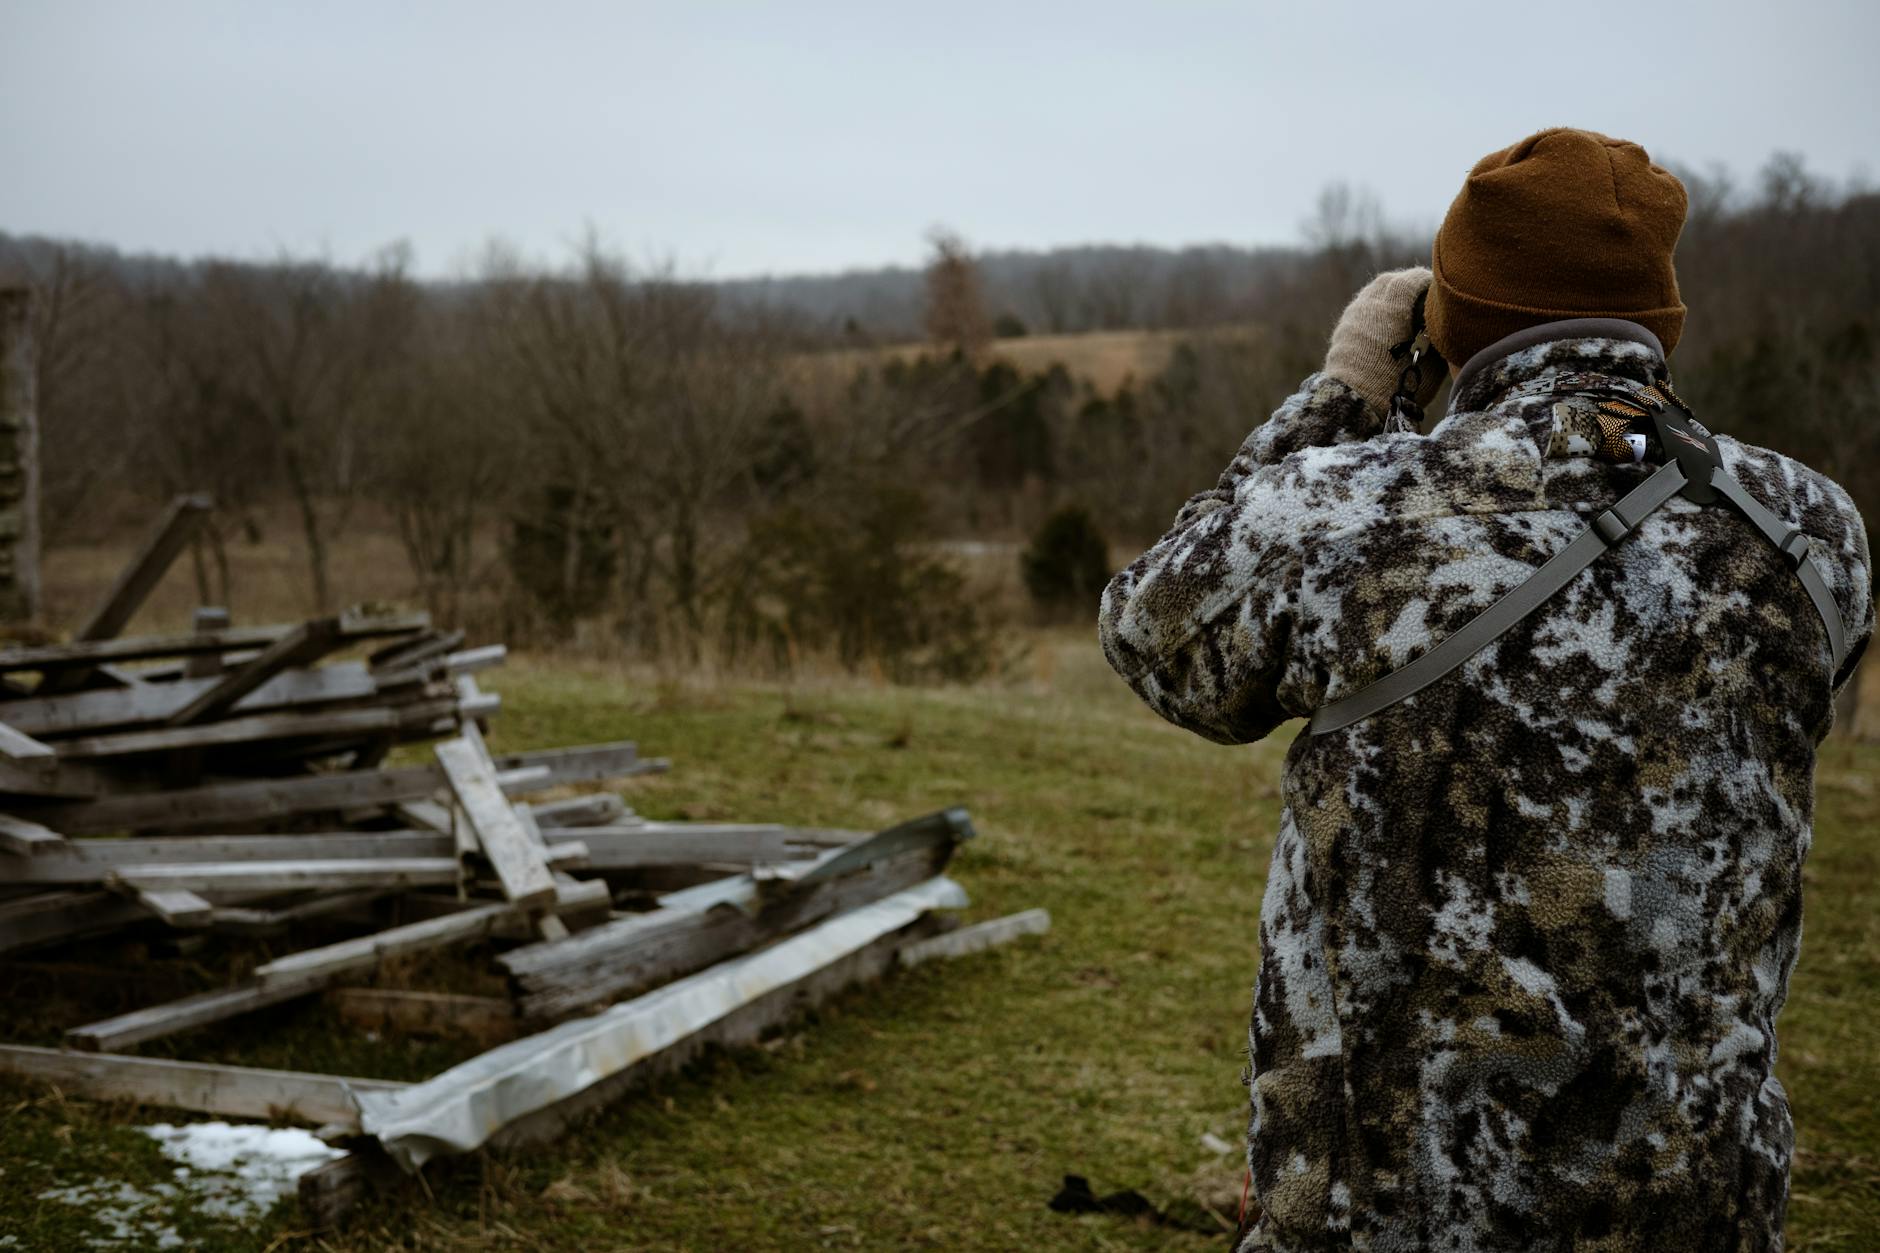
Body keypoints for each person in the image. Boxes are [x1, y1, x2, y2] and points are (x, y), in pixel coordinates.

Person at [1098, 128, 1873, 1251]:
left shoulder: (1343, 510)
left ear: (1447, 320)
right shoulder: (1809, 530)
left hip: (1392, 1207)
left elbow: (1152, 635)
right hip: (1698, 1198)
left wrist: (1345, 395)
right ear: (1660, 325)